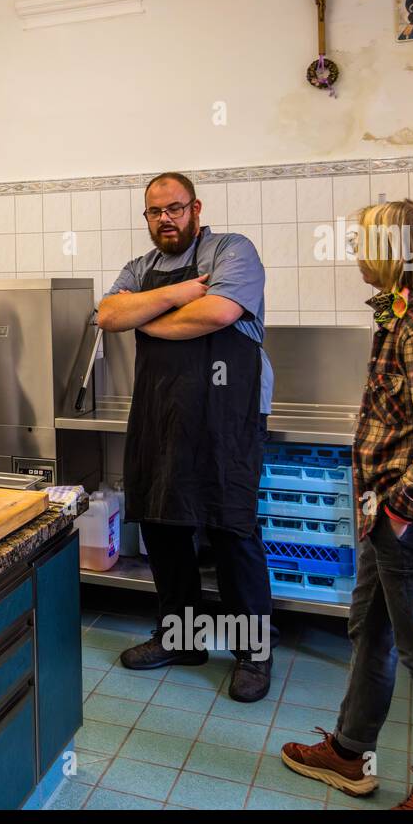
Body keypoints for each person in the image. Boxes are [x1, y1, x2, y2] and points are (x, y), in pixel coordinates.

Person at [280, 200, 413, 810]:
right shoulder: (400, 312)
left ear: (397, 252)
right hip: (387, 511)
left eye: (365, 241)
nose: (356, 252)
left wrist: (398, 512)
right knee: (370, 631)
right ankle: (348, 750)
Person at [98, 172, 276, 703]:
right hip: (161, 410)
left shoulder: (232, 251)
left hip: (227, 412)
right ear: (146, 218)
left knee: (230, 528)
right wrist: (178, 295)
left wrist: (147, 313)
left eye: (175, 208)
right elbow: (108, 314)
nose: (165, 219)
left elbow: (220, 312)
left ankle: (253, 653)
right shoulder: (139, 267)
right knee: (163, 524)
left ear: (195, 208)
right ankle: (183, 639)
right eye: (155, 212)